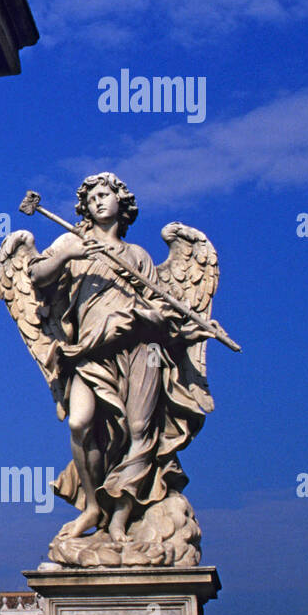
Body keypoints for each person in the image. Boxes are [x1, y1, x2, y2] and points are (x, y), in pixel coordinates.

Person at [27, 173, 209, 543]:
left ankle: (120, 518)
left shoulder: (137, 256)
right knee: (80, 423)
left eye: (105, 195)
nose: (98, 202)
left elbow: (157, 308)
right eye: (91, 197)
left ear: (121, 203)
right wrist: (67, 255)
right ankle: (93, 505)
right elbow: (36, 276)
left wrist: (169, 323)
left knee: (141, 433)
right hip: (89, 353)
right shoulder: (72, 241)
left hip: (140, 352)